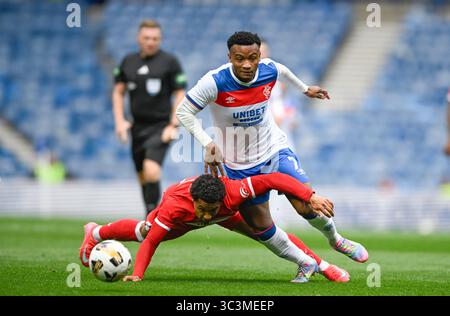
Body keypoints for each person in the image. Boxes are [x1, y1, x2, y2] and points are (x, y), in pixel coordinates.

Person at [176, 31, 368, 263]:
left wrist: (305, 89)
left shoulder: (269, 69)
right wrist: (207, 143)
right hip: (238, 164)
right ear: (229, 57)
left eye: (253, 57)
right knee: (262, 226)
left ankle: (336, 239)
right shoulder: (214, 81)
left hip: (273, 150)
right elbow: (183, 111)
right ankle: (307, 263)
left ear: (259, 56)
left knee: (306, 205)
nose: (247, 64)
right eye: (239, 58)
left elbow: (282, 71)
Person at [80, 172, 350, 283]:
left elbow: (274, 179)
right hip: (180, 220)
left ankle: (322, 266)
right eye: (203, 209)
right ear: (195, 201)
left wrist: (308, 196)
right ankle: (95, 232)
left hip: (228, 214)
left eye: (211, 209)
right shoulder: (176, 207)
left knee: (265, 232)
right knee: (144, 232)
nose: (207, 216)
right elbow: (152, 244)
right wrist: (138, 275)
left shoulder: (233, 192)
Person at [112, 20, 187, 216]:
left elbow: (180, 93)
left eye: (155, 38)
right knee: (143, 176)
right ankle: (151, 214)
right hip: (137, 127)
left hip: (161, 126)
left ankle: (154, 218)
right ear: (139, 38)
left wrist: (174, 123)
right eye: (147, 38)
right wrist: (120, 121)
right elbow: (118, 92)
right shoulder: (128, 61)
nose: (151, 42)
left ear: (160, 39)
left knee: (151, 170)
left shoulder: (170, 62)